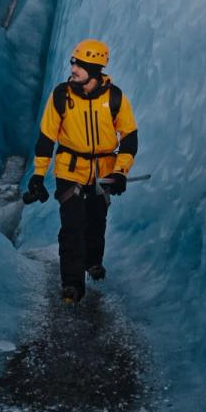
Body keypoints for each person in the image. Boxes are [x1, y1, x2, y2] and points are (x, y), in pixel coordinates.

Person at [25, 39, 139, 303]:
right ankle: (72, 284)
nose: (73, 68)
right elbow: (46, 138)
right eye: (74, 62)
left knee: (96, 222)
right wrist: (38, 176)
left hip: (104, 171)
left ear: (95, 69)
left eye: (80, 64)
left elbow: (130, 135)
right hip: (70, 171)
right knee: (72, 228)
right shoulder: (62, 96)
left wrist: (121, 171)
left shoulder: (114, 98)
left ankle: (93, 262)